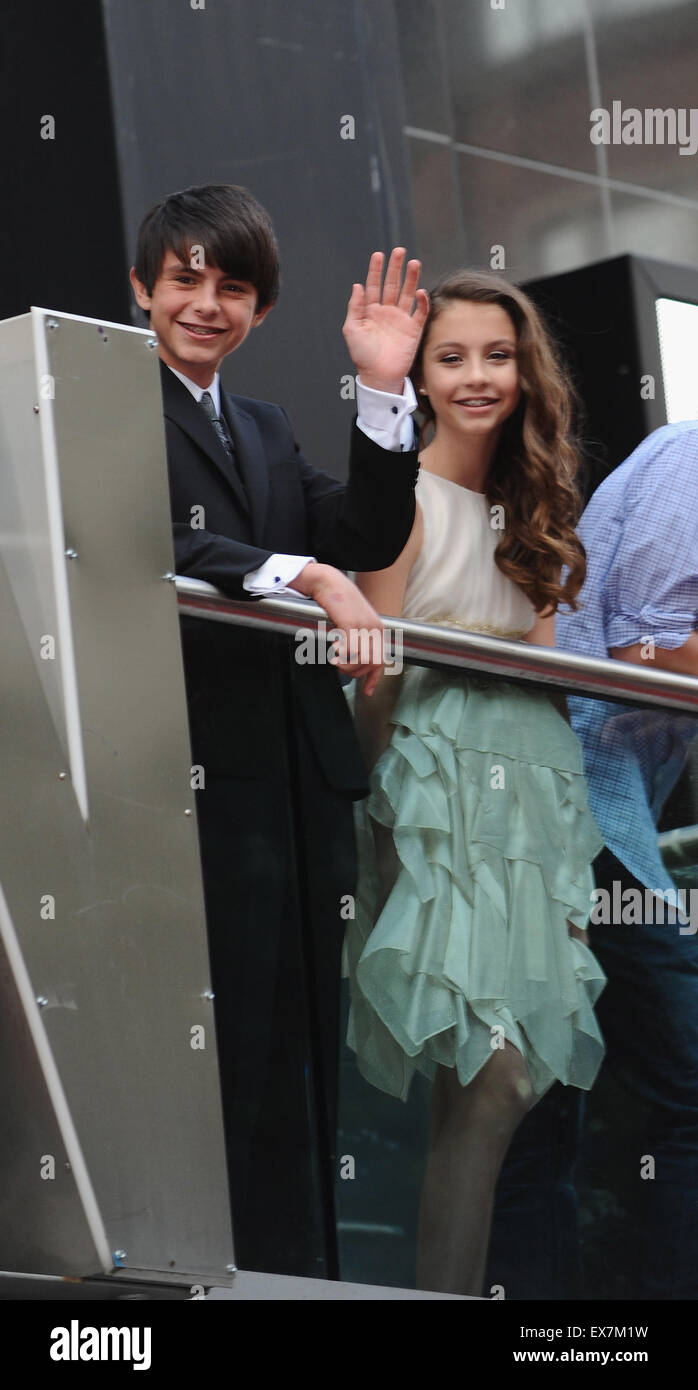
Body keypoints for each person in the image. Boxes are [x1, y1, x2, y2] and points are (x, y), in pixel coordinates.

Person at [129, 183, 429, 1276]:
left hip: (299, 780)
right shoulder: (101, 399)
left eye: (235, 287)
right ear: (142, 287)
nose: (207, 303)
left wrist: (384, 390)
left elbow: (363, 527)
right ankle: (195, 1273)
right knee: (219, 1049)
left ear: (259, 309)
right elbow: (134, 537)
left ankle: (294, 1276)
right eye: (186, 279)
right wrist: (307, 578)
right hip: (192, 777)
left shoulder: (258, 423)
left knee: (301, 1057)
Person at [342, 269, 607, 1297]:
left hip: (530, 799)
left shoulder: (537, 512)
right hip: (426, 784)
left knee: (510, 1079)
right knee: (485, 1076)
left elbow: (546, 692)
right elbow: (372, 674)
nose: (476, 375)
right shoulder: (397, 497)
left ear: (524, 367)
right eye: (449, 356)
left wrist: (563, 881)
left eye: (496, 354)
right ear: (418, 370)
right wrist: (375, 827)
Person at [489, 421, 698, 1301]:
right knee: (684, 1083)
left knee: (542, 1108)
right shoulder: (694, 457)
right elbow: (645, 650)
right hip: (577, 801)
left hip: (595, 810)